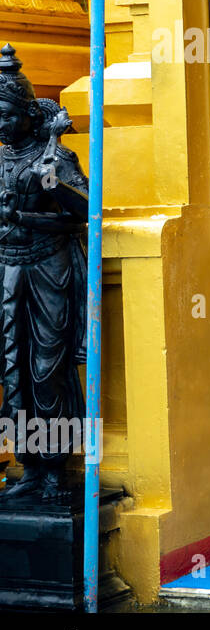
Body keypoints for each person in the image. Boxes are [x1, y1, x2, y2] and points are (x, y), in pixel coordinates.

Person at [0, 44, 89, 502]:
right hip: (9, 272)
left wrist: (33, 213)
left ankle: (56, 467)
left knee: (45, 369)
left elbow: (82, 212)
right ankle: (27, 465)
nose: (2, 125)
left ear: (29, 115)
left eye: (8, 115)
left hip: (48, 269)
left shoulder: (51, 157)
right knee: (12, 368)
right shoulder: (2, 159)